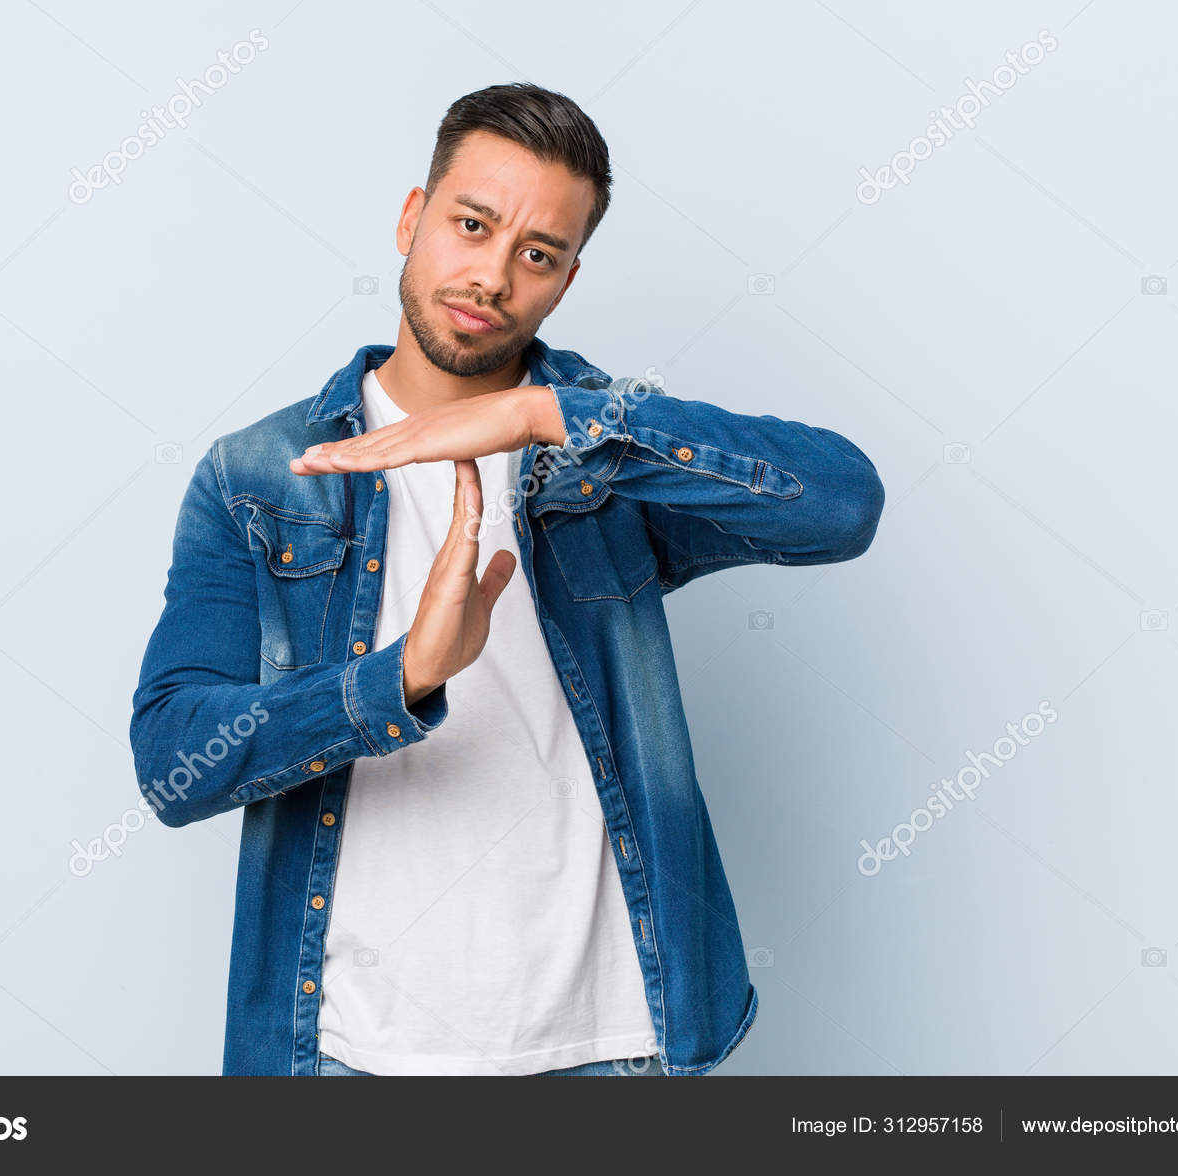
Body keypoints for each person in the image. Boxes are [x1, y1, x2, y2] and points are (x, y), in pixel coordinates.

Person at [130, 82, 885, 1076]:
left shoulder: (607, 460)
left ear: (566, 279)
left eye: (536, 254)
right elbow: (172, 762)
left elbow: (839, 504)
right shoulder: (262, 475)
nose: (491, 276)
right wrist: (396, 681)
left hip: (612, 1046)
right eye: (471, 225)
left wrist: (546, 421)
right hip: (346, 1053)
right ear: (413, 217)